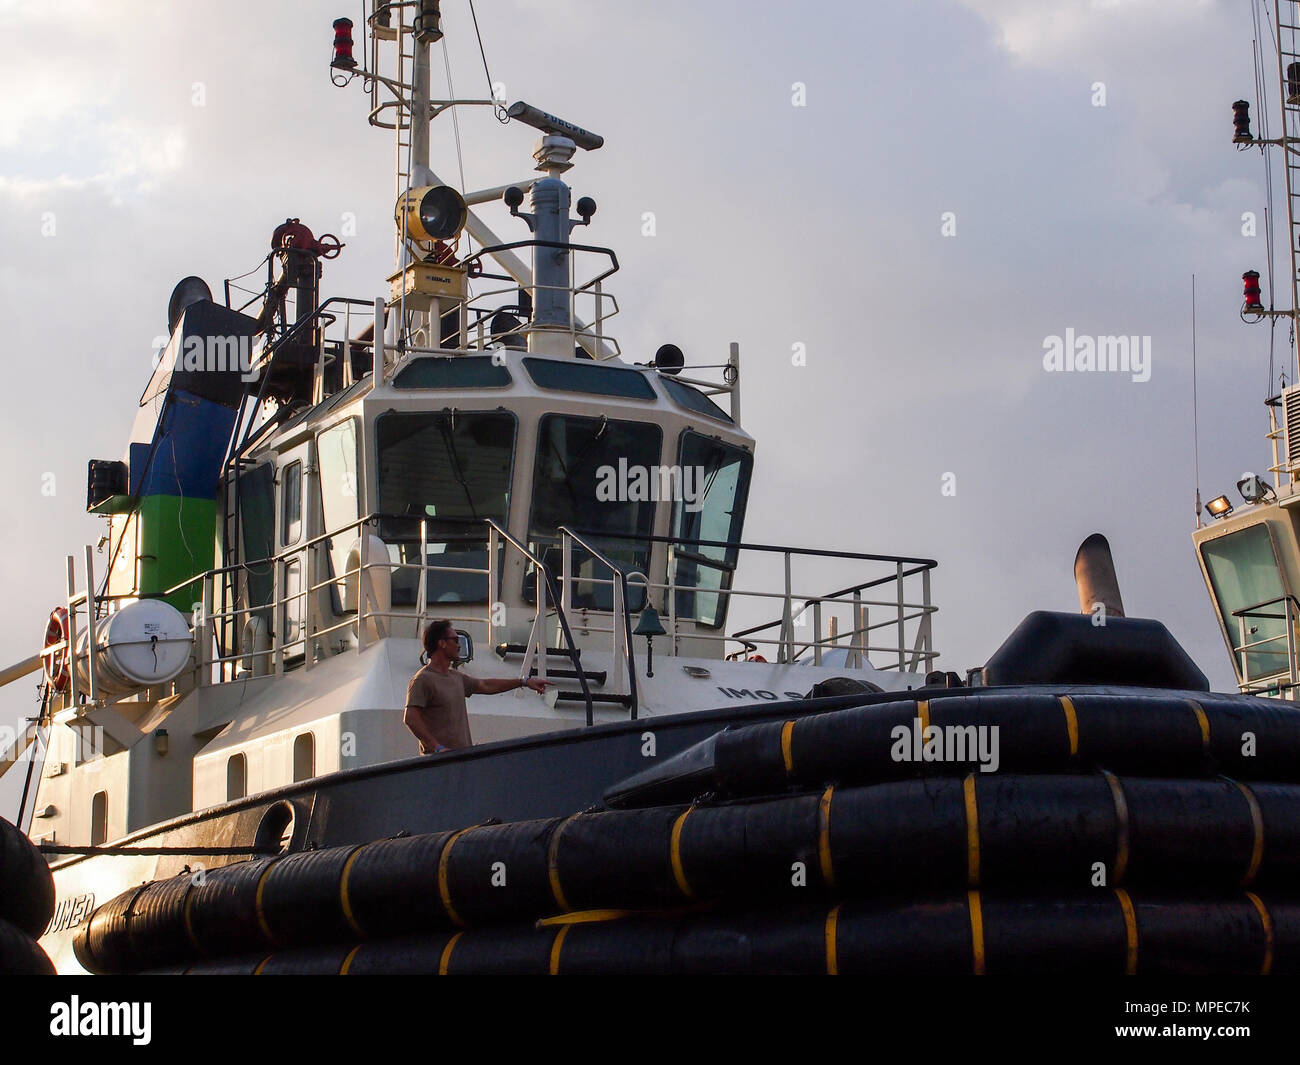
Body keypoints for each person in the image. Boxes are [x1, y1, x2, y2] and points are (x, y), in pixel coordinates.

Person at [404, 619, 551, 754]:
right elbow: (410, 718)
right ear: (441, 643)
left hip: (461, 760)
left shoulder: (456, 677)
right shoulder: (422, 679)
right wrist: (438, 748)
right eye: (455, 640)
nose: (459, 645)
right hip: (438, 765)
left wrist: (523, 681)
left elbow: (485, 685)